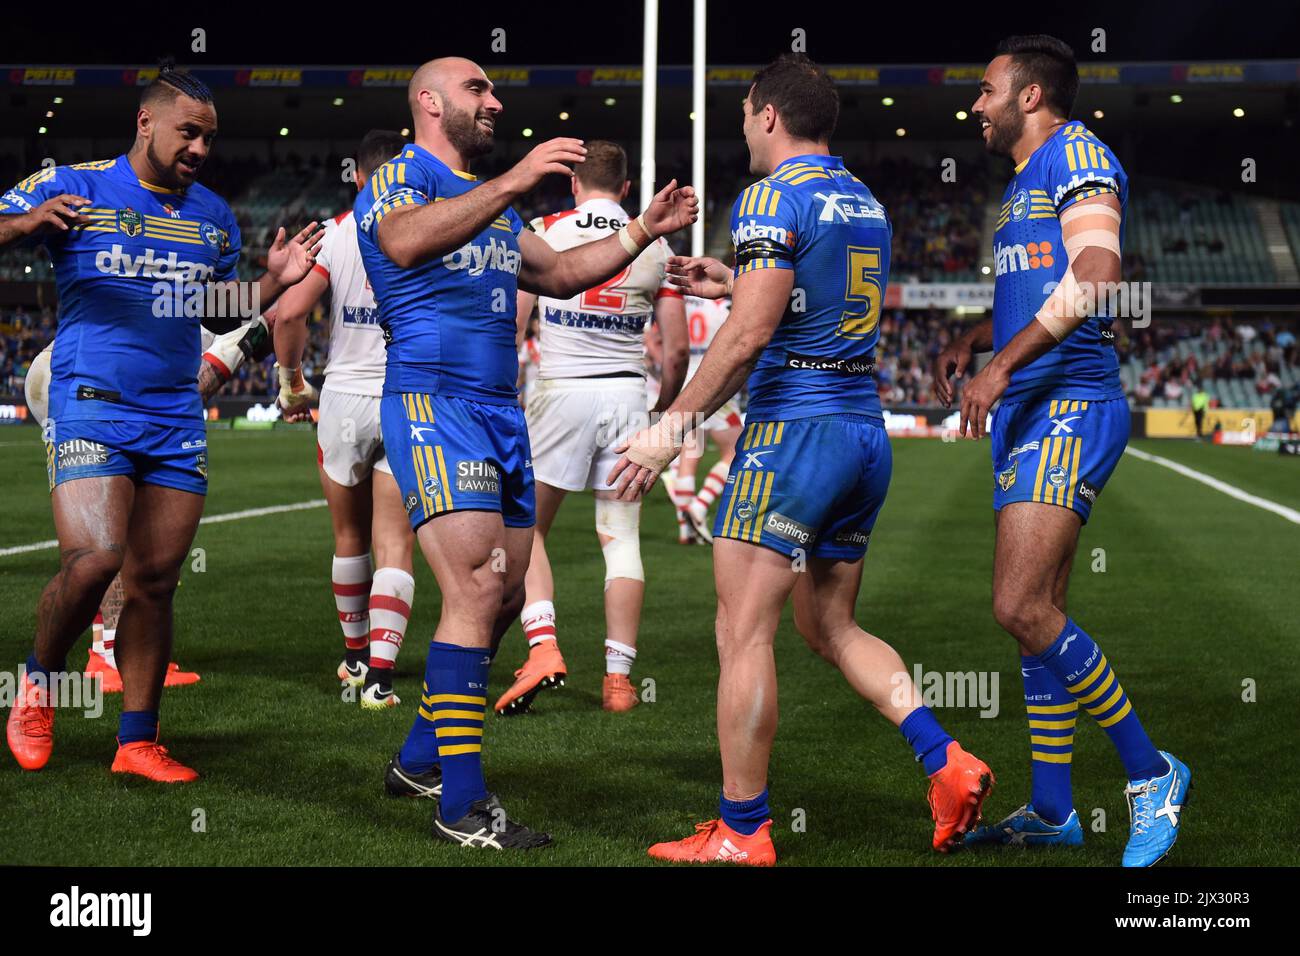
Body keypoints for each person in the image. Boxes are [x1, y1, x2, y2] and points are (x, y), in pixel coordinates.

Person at [611, 54, 994, 865]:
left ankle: (742, 831)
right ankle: (945, 759)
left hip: (794, 431)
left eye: (747, 113)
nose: (744, 127)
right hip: (861, 431)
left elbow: (750, 339)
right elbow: (800, 300)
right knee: (828, 623)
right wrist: (735, 282)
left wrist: (670, 429)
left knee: (742, 631)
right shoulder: (863, 199)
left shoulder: (771, 195)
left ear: (769, 116)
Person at [355, 57, 697, 848]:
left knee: (504, 596)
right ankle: (462, 808)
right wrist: (513, 181)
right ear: (431, 102)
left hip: (501, 413)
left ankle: (418, 762)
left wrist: (642, 228)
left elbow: (566, 272)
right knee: (477, 587)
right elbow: (402, 244)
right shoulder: (400, 180)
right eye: (478, 90)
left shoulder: (495, 209)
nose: (494, 101)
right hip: (434, 404)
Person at [2, 66, 321, 781]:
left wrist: (272, 280)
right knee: (94, 563)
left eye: (209, 137)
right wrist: (22, 224)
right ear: (146, 123)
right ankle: (38, 686)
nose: (201, 148)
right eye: (189, 132)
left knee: (153, 581)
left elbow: (206, 311)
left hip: (175, 410)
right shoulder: (74, 185)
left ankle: (137, 741)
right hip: (91, 396)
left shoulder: (211, 214)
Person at [935, 35, 1190, 867]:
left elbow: (1100, 265)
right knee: (1034, 620)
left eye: (986, 88)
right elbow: (1035, 283)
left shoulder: (1077, 152)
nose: (975, 104)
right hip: (1029, 407)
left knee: (1020, 607)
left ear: (1033, 94)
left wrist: (1002, 364)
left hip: (1068, 406)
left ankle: (1153, 774)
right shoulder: (1019, 182)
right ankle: (1052, 809)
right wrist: (981, 336)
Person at [494, 140, 688, 717]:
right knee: (621, 538)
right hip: (627, 391)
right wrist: (663, 415)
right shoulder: (653, 241)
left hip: (559, 392)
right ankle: (619, 683)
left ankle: (544, 645)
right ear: (627, 188)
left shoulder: (545, 229)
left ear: (575, 184)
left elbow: (512, 326)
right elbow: (675, 353)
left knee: (527, 528)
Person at [273, 129, 415, 710]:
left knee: (348, 536)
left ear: (359, 176)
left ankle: (355, 659)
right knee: (394, 543)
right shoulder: (425, 226)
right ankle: (381, 680)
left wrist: (292, 385)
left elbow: (288, 314)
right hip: (405, 396)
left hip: (342, 398)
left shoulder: (338, 230)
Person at [664, 293, 742, 544]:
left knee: (689, 457)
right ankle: (700, 505)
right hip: (712, 383)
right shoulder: (723, 304)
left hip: (686, 385)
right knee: (735, 450)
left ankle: (684, 530)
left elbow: (661, 338)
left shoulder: (680, 302)